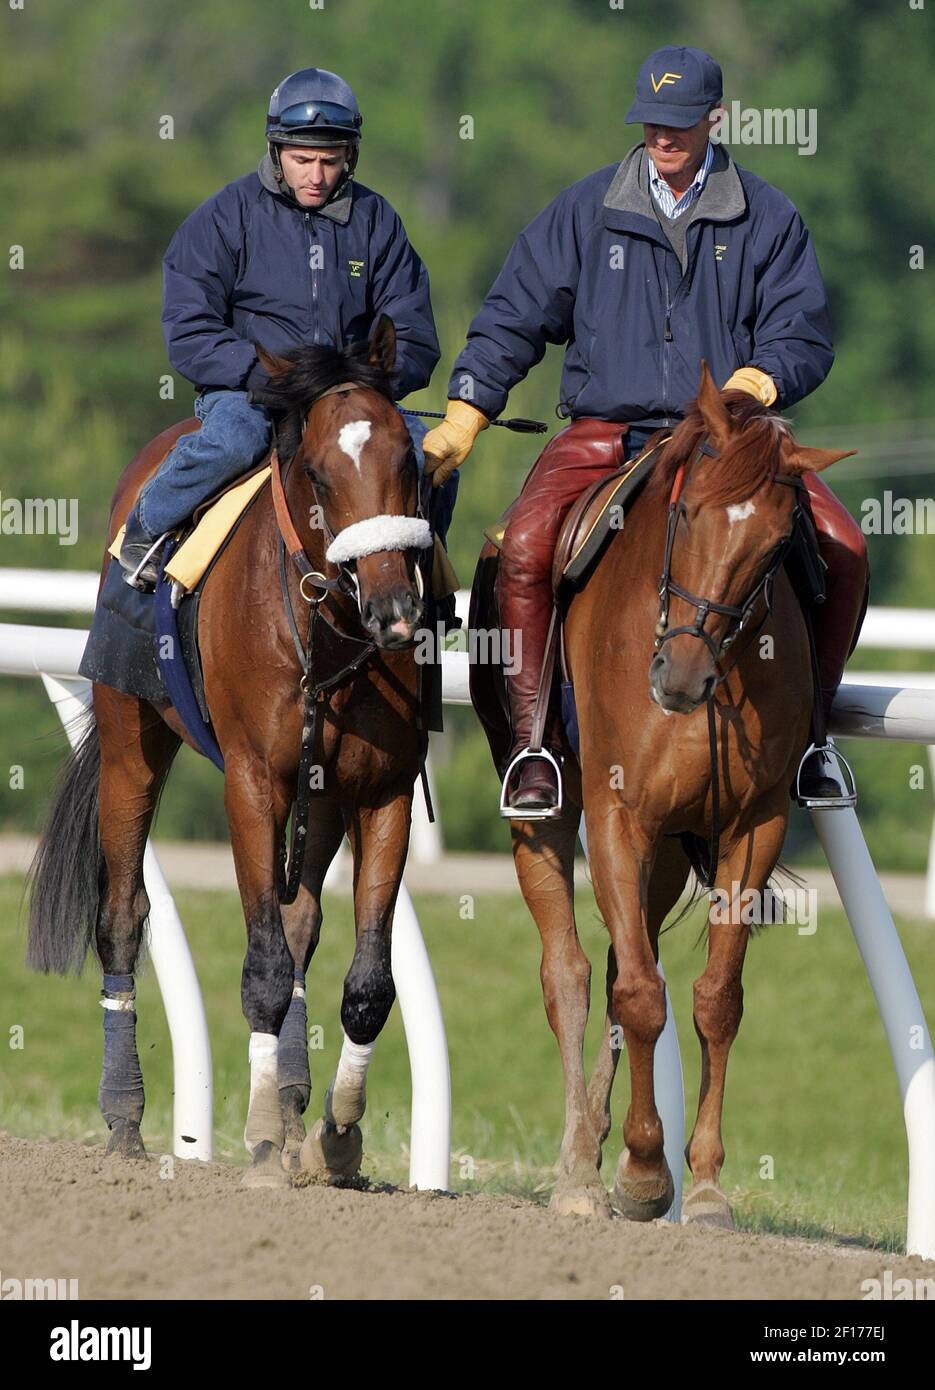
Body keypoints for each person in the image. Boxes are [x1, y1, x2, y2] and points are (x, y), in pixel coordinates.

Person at [423, 44, 868, 814]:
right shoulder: (584, 209)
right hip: (606, 430)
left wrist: (755, 384)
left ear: (713, 120)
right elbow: (512, 316)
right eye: (652, 124)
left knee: (847, 550)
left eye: (680, 125)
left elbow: (802, 333)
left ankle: (812, 740)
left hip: (727, 442)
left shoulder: (767, 216)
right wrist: (468, 408)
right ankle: (534, 749)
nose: (663, 138)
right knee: (522, 549)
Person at [119, 66, 456, 587]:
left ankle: (422, 579)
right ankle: (144, 529)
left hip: (351, 398)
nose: (316, 177)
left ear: (350, 156)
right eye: (302, 161)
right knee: (234, 442)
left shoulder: (378, 221)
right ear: (277, 152)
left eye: (329, 161)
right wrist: (260, 373)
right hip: (253, 393)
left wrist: (368, 383)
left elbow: (412, 330)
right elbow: (189, 327)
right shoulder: (224, 217)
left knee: (426, 455)